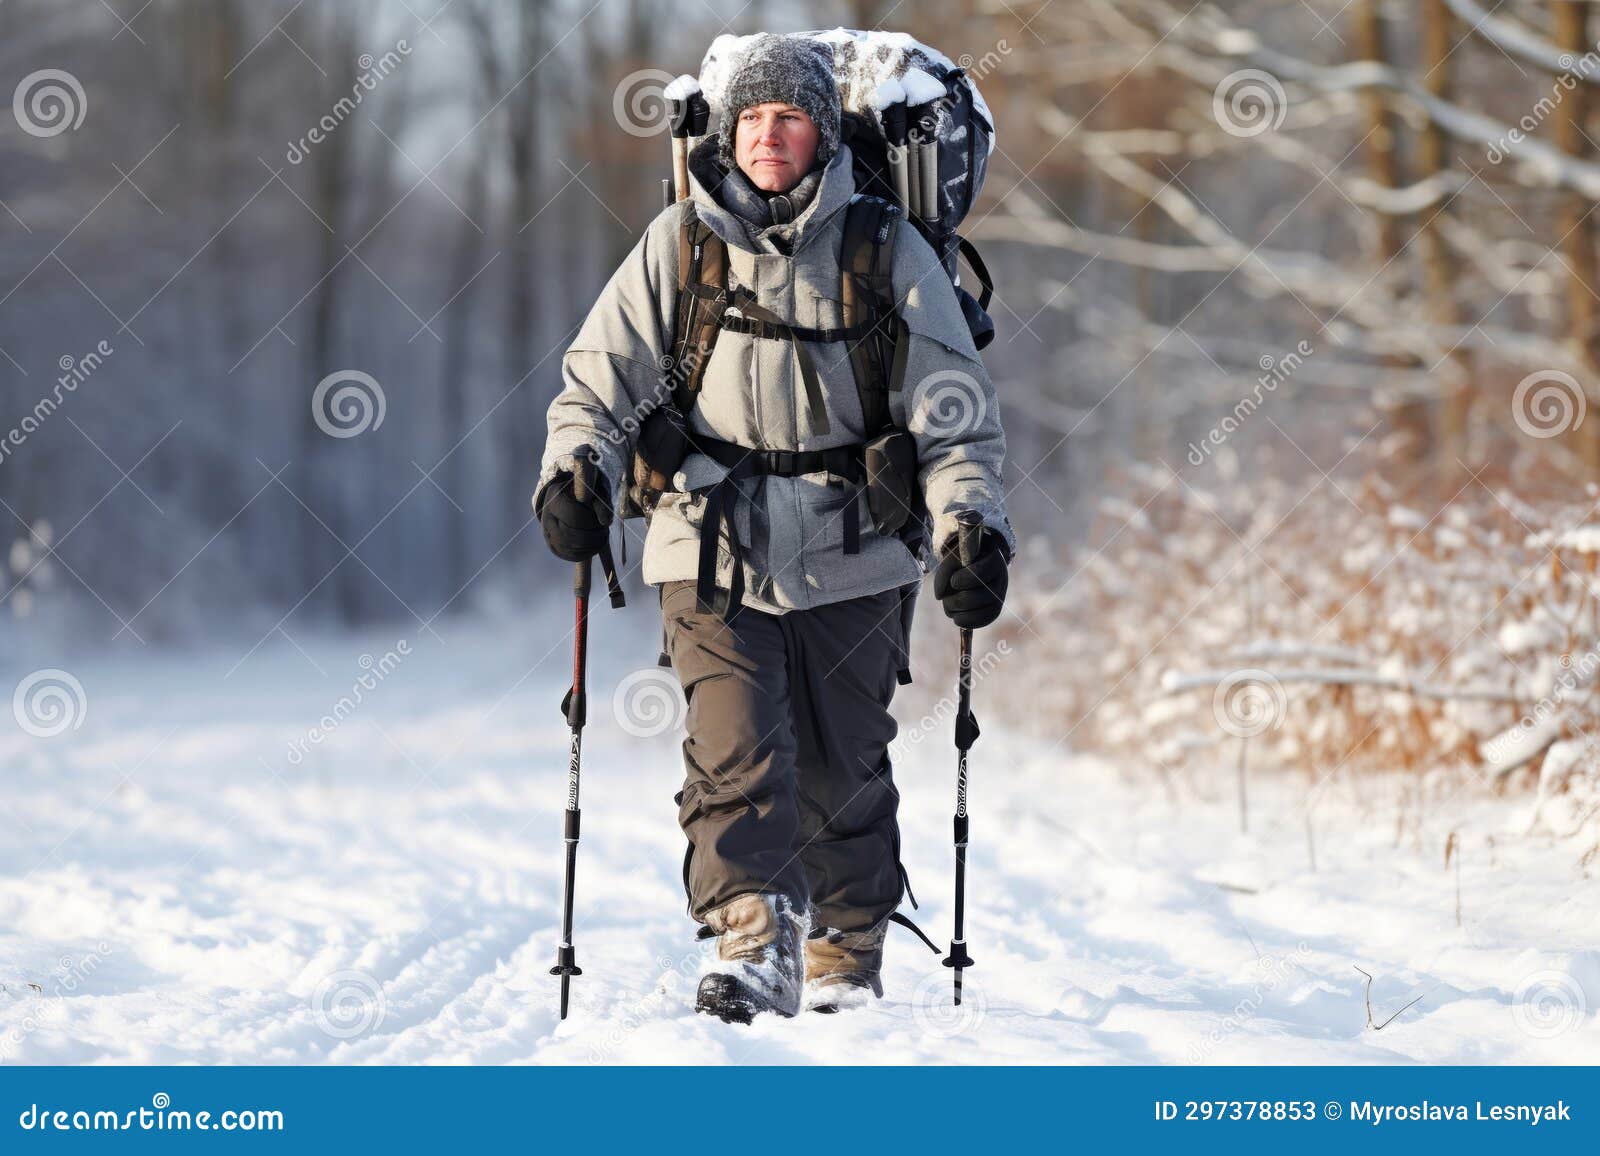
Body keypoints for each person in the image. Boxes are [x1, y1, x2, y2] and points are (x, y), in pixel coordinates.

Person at [534, 33, 1014, 1023]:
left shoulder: (887, 247)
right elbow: (597, 381)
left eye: (787, 117)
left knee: (844, 765)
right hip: (707, 541)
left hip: (855, 546)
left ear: (822, 134)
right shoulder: (680, 245)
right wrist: (575, 472)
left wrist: (969, 525)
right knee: (734, 750)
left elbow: (953, 408)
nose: (766, 135)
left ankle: (846, 937)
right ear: (727, 131)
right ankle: (753, 932)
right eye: (750, 118)